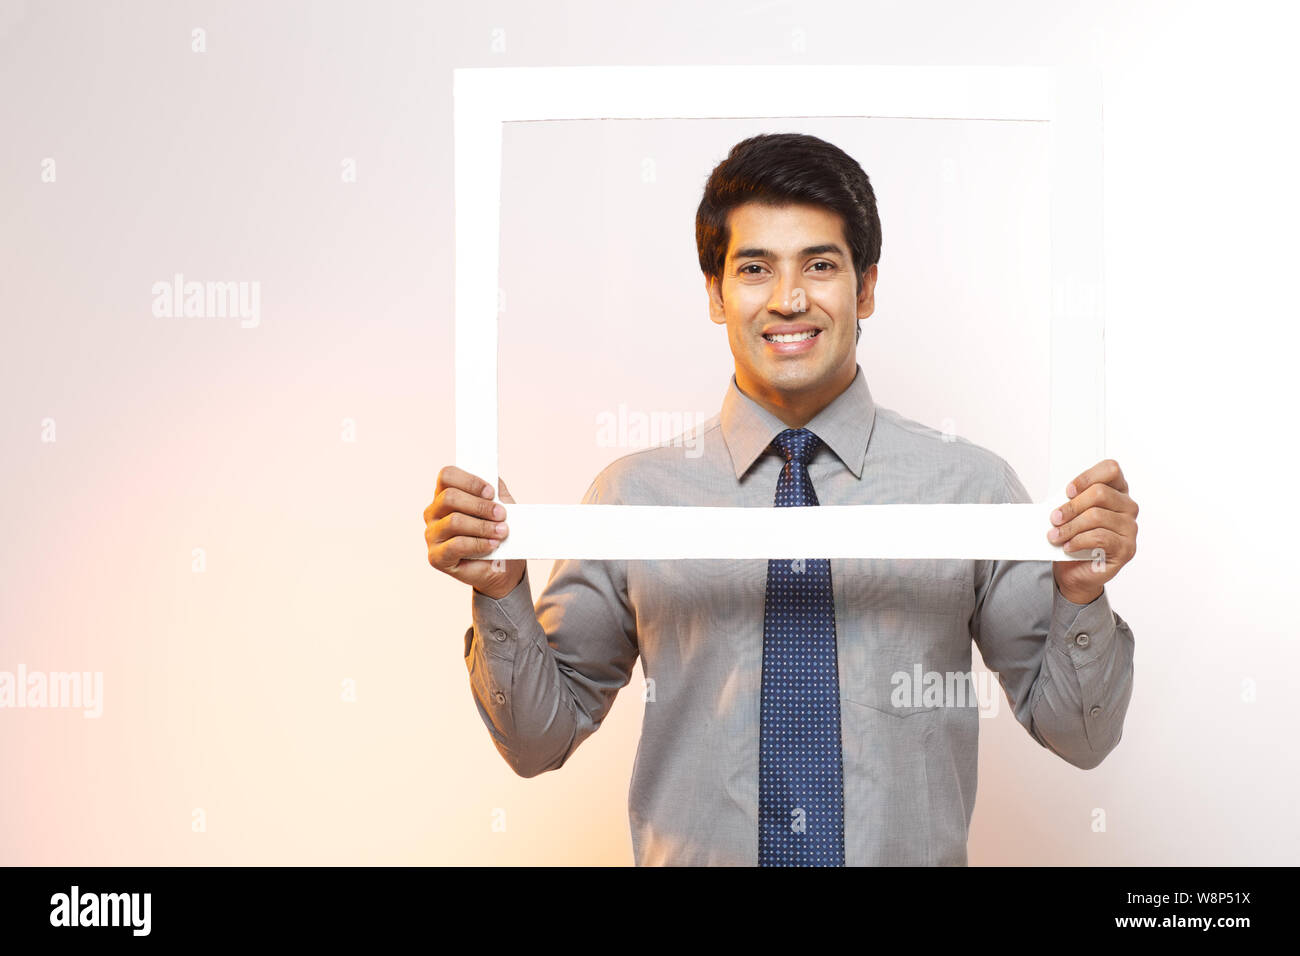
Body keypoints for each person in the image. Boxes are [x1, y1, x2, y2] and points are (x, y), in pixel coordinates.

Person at [424, 132, 1139, 866]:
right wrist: (502, 586)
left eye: (820, 265)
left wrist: (1081, 595)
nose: (789, 299)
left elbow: (1079, 737)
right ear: (715, 293)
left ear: (865, 288)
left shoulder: (973, 491)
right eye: (756, 268)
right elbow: (539, 742)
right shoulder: (632, 498)